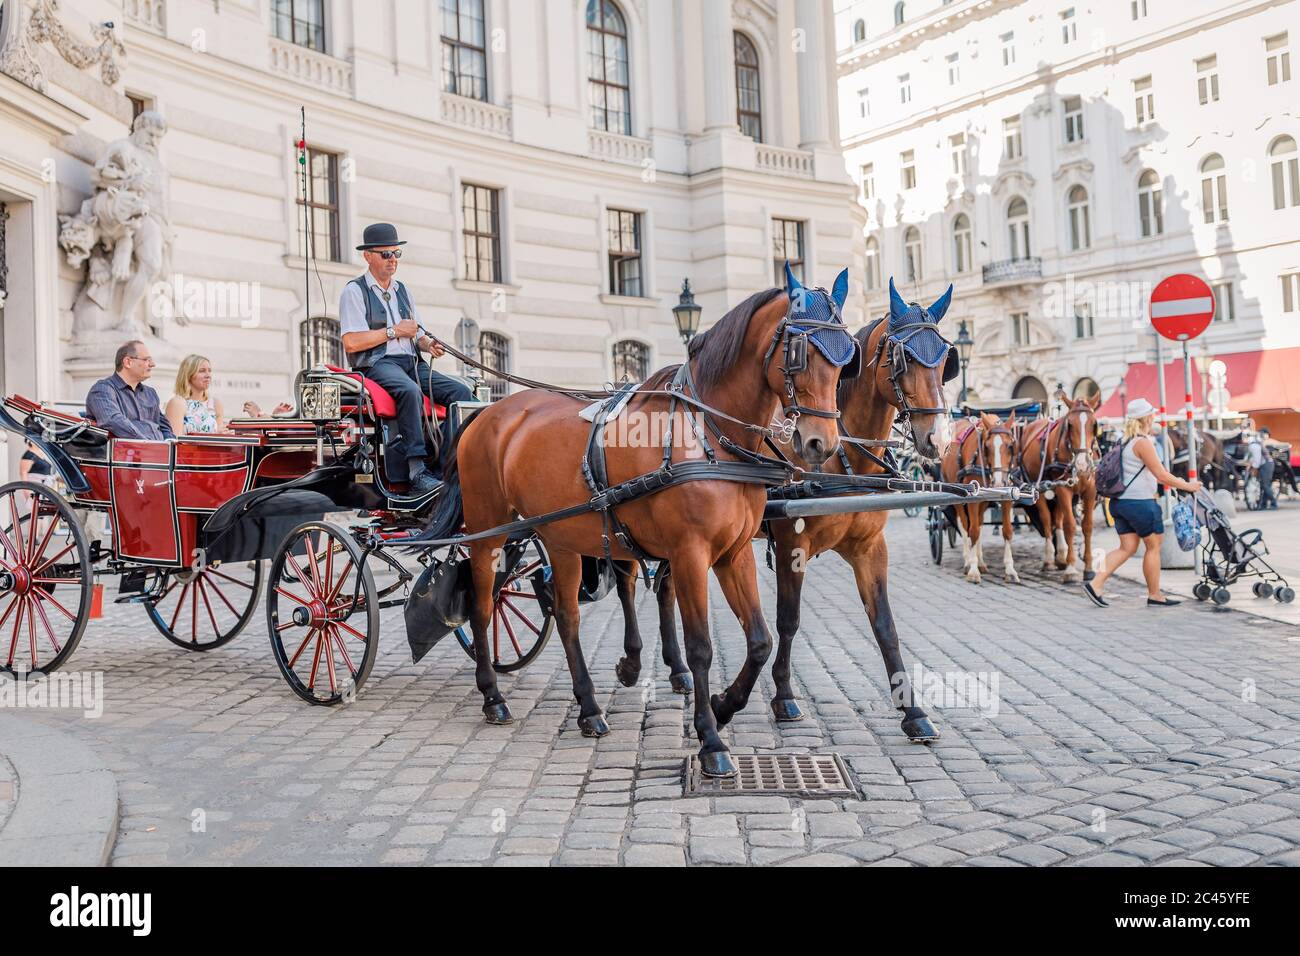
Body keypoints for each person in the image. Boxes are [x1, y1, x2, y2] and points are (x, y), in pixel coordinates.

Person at [339, 223, 472, 496]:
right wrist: (393, 331)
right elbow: (351, 342)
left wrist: (427, 344)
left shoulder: (403, 290)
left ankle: (446, 463)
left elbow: (417, 333)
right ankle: (416, 470)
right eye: (386, 254)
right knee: (409, 391)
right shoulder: (355, 291)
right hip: (377, 363)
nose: (393, 261)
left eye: (396, 254)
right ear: (368, 256)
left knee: (462, 392)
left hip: (412, 362)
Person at [1085, 398, 1202, 608]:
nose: (1154, 417)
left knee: (1126, 547)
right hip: (1141, 504)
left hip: (1119, 503)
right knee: (1153, 546)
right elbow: (1161, 475)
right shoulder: (1142, 443)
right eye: (1152, 414)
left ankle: (1096, 583)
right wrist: (1187, 486)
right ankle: (1155, 595)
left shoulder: (1124, 442)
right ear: (1147, 417)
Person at [85, 340, 175, 440]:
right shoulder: (103, 390)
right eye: (146, 360)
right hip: (125, 453)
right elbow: (113, 421)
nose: (152, 364)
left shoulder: (150, 393)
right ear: (128, 362)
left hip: (159, 452)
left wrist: (169, 444)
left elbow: (164, 427)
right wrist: (148, 444)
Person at [165, 354, 225, 435]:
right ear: (189, 375)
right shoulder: (177, 403)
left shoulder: (216, 404)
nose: (208, 375)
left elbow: (220, 437)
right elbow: (175, 442)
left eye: (209, 370)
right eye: (202, 371)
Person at [1248, 426, 1278, 510]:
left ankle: (1273, 502)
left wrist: (1253, 468)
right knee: (1264, 485)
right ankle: (1263, 504)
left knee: (1265, 485)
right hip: (1267, 464)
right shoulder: (1258, 443)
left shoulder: (1254, 446)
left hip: (1266, 464)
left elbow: (1256, 461)